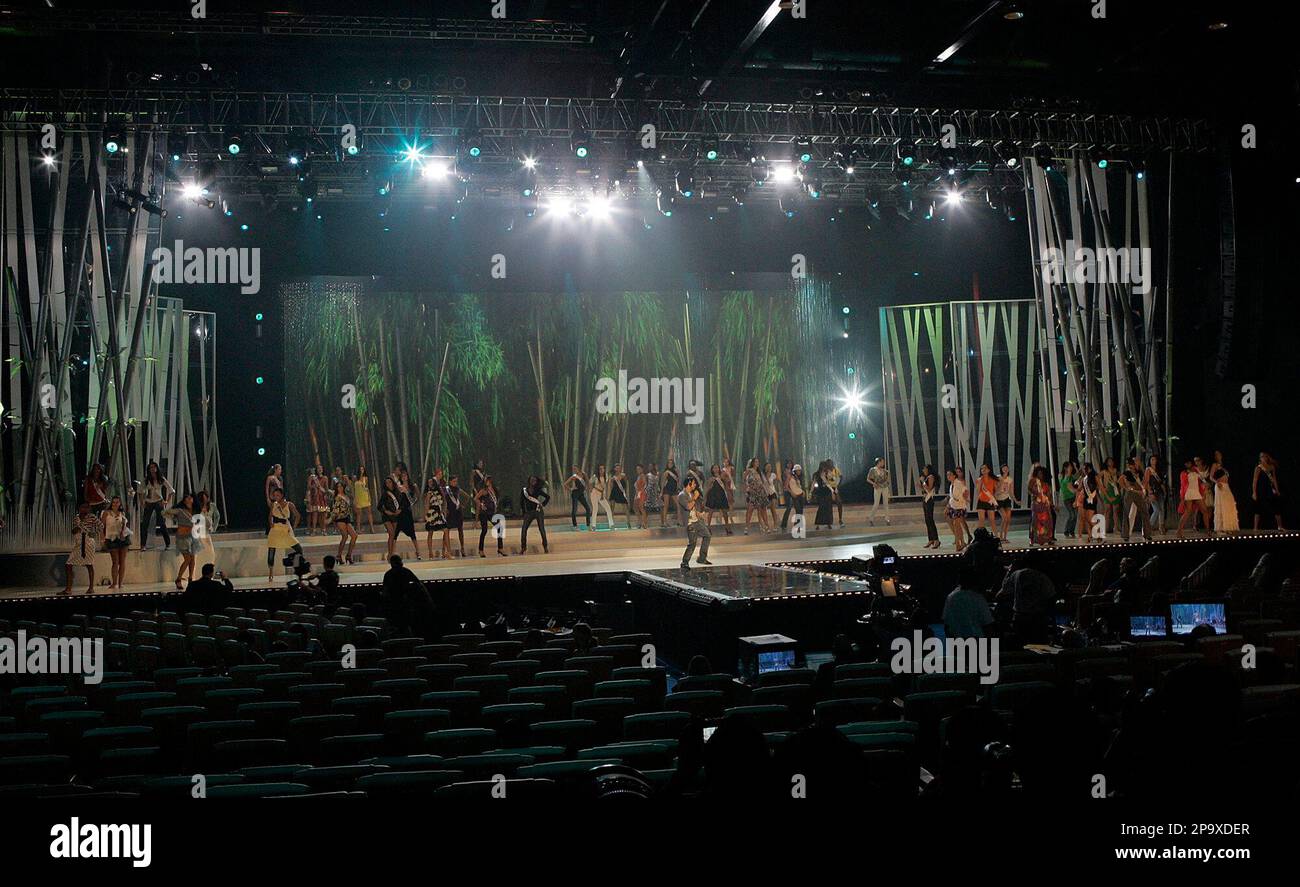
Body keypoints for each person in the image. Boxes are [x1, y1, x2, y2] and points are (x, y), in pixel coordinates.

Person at [999, 559, 1056, 644]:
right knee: (1039, 646)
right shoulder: (1042, 577)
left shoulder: (1017, 574)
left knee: (1020, 644)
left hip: (1020, 616)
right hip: (1037, 618)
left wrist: (1009, 572)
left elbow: (1004, 591)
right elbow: (1051, 598)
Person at [382, 555, 436, 637]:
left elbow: (385, 591)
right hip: (403, 602)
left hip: (397, 603)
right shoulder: (405, 571)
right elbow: (419, 583)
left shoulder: (389, 574)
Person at [943, 563, 996, 640]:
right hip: (976, 640)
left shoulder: (950, 597)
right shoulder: (977, 598)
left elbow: (946, 624)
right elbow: (987, 624)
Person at [63, 501, 103, 595]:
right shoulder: (76, 518)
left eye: (86, 507)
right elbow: (73, 531)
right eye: (83, 507)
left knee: (89, 564)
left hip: (88, 541)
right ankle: (68, 589)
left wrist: (94, 532)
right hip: (79, 541)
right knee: (68, 564)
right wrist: (76, 529)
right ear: (79, 508)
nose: (85, 509)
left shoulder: (92, 517)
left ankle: (91, 588)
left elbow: (101, 526)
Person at [265, 488, 304, 583]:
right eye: (274, 495)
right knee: (271, 551)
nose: (276, 497)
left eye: (277, 495)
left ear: (282, 495)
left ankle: (296, 568)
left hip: (285, 529)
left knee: (299, 549)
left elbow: (298, 516)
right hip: (275, 530)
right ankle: (270, 574)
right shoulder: (274, 505)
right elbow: (270, 516)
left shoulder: (289, 504)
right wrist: (271, 524)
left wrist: (293, 527)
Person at [164, 493, 198, 589]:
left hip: (192, 536)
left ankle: (191, 579)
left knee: (192, 559)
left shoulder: (194, 511)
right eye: (187, 497)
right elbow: (166, 512)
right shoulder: (180, 510)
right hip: (182, 537)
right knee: (187, 559)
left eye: (190, 497)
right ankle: (178, 579)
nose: (189, 499)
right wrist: (174, 518)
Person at [677, 476, 712, 570]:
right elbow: (688, 507)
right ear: (689, 484)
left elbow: (693, 508)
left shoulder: (691, 494)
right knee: (692, 543)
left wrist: (700, 514)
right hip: (690, 523)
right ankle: (684, 562)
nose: (695, 485)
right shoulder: (682, 495)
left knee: (707, 535)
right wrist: (695, 497)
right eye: (694, 483)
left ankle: (702, 558)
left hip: (697, 521)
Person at [381, 476, 420, 561]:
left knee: (412, 533)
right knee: (394, 534)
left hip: (407, 513)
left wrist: (410, 491)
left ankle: (418, 552)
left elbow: (413, 500)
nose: (404, 477)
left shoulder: (411, 487)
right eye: (402, 476)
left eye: (405, 475)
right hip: (398, 515)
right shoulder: (397, 489)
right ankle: (392, 554)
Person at [137, 460, 172, 551]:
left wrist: (166, 501)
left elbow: (171, 490)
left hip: (158, 502)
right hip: (149, 502)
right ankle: (143, 545)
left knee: (161, 523)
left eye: (154, 467)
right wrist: (142, 502)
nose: (152, 469)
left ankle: (168, 543)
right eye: (151, 468)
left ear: (157, 468)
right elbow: (140, 491)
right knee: (145, 524)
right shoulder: (146, 480)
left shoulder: (161, 479)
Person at [101, 495, 130, 589]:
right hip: (111, 538)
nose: (115, 504)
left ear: (120, 503)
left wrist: (123, 529)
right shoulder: (106, 513)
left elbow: (125, 526)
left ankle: (120, 583)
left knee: (122, 562)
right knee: (115, 561)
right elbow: (102, 526)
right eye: (113, 502)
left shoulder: (122, 513)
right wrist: (102, 538)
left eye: (117, 502)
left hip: (122, 538)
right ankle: (114, 583)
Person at [1252, 452, 1285, 531]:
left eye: (1265, 456)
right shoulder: (1258, 468)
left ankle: (1280, 526)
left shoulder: (1271, 467)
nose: (1264, 458)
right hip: (1261, 490)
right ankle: (1255, 528)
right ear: (1260, 458)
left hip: (1270, 490)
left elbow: (1274, 480)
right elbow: (1255, 481)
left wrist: (1277, 490)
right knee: (1258, 508)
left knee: (1276, 506)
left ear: (1267, 457)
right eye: (1262, 456)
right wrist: (1254, 492)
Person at [476, 476, 506, 557]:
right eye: (486, 480)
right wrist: (481, 504)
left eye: (489, 480)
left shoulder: (494, 490)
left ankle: (500, 548)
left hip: (491, 513)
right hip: (484, 513)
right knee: (484, 530)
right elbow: (476, 498)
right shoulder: (483, 491)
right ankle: (481, 550)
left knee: (499, 528)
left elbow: (496, 500)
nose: (487, 482)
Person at [330, 480, 358, 564]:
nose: (340, 488)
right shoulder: (337, 497)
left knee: (354, 536)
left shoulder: (346, 496)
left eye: (341, 486)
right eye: (338, 487)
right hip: (340, 518)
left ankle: (348, 555)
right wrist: (331, 519)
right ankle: (339, 555)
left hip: (347, 517)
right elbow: (335, 509)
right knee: (345, 536)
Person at [520, 475, 550, 553]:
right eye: (532, 480)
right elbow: (522, 503)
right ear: (529, 480)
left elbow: (547, 497)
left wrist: (543, 504)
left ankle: (545, 547)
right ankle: (523, 548)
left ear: (536, 482)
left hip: (538, 511)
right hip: (529, 513)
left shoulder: (538, 490)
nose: (533, 481)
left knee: (542, 529)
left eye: (535, 480)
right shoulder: (524, 491)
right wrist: (524, 513)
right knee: (524, 530)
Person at [1119, 470, 1152, 542]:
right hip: (1130, 493)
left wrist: (1146, 492)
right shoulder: (1127, 471)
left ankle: (1147, 534)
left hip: (1139, 493)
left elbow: (1144, 482)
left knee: (1145, 512)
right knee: (1126, 512)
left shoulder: (1140, 471)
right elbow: (1120, 480)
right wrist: (1126, 488)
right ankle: (1125, 535)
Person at [423, 476, 449, 560]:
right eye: (429, 482)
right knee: (430, 532)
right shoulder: (428, 493)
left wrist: (444, 510)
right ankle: (430, 552)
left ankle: (447, 551)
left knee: (446, 530)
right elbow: (427, 505)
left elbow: (444, 501)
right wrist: (425, 515)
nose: (430, 484)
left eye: (431, 482)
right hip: (432, 513)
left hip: (439, 512)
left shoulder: (440, 490)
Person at [704, 463, 734, 534]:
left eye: (717, 468)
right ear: (712, 470)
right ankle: (708, 527)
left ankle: (727, 527)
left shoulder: (722, 477)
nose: (716, 469)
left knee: (725, 512)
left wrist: (729, 495)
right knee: (710, 512)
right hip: (712, 495)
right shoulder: (710, 478)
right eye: (714, 468)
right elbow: (708, 488)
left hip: (721, 495)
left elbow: (727, 486)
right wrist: (705, 497)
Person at [742, 457, 769, 535]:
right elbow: (744, 480)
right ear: (753, 463)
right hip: (753, 492)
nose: (757, 463)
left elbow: (762, 482)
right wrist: (746, 489)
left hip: (761, 491)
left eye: (758, 461)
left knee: (763, 509)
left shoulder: (759, 471)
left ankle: (766, 526)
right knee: (750, 509)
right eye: (756, 462)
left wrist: (765, 491)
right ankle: (746, 527)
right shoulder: (749, 471)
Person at [1029, 466, 1054, 545]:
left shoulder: (1046, 484)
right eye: (1039, 473)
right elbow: (1031, 490)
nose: (1041, 475)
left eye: (1042, 473)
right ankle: (1032, 540)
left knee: (1047, 522)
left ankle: (1047, 539)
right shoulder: (1033, 481)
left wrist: (1050, 502)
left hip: (1045, 506)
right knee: (1035, 522)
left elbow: (1049, 495)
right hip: (1036, 506)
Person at [946, 468, 970, 551]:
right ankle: (961, 542)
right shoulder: (951, 485)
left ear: (954, 475)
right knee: (957, 526)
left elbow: (966, 491)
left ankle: (959, 544)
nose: (948, 476)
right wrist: (948, 506)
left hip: (959, 507)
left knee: (957, 525)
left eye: (950, 474)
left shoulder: (958, 483)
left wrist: (966, 499)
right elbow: (951, 497)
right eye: (947, 475)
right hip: (953, 507)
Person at [919, 464, 940, 548]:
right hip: (925, 500)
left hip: (929, 500)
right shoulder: (927, 477)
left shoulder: (931, 477)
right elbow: (924, 489)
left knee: (930, 520)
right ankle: (930, 539)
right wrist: (921, 485)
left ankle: (936, 540)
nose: (923, 470)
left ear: (928, 469)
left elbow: (929, 489)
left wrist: (923, 482)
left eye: (924, 468)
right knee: (927, 520)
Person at [866, 457, 891, 526]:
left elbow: (887, 481)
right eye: (882, 462)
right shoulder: (873, 470)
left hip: (885, 487)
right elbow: (868, 479)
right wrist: (873, 483)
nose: (883, 463)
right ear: (878, 462)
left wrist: (889, 492)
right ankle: (871, 518)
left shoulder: (885, 471)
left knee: (886, 504)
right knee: (876, 504)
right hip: (877, 488)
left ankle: (887, 519)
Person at [1213, 468, 1239, 533]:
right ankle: (1223, 527)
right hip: (1220, 485)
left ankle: (1229, 527)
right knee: (1223, 507)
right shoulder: (1215, 465)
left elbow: (1227, 475)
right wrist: (1217, 482)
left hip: (1226, 486)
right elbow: (1211, 477)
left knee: (1229, 506)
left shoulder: (1223, 469)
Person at [565, 465, 592, 530]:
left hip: (581, 494)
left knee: (588, 509)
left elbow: (588, 482)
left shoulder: (583, 474)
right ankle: (575, 526)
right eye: (573, 469)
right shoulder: (574, 477)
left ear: (578, 469)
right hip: (575, 494)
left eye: (575, 468)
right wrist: (571, 489)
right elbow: (565, 484)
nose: (574, 470)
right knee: (574, 510)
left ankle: (588, 525)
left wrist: (588, 489)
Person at [589, 465, 614, 531]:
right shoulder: (595, 476)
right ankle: (593, 526)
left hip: (601, 494)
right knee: (595, 509)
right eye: (600, 469)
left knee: (608, 508)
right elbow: (590, 483)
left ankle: (611, 525)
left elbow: (605, 486)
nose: (601, 470)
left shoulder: (606, 476)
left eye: (602, 468)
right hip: (594, 492)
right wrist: (591, 490)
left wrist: (604, 494)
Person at [975, 464, 998, 534]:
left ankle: (996, 537)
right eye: (982, 469)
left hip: (990, 501)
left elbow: (996, 491)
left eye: (985, 468)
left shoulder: (993, 480)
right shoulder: (979, 480)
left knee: (992, 520)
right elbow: (978, 491)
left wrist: (994, 500)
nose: (983, 470)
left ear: (989, 470)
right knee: (981, 520)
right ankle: (979, 537)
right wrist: (980, 483)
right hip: (981, 501)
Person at [782, 464, 806, 531]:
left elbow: (799, 486)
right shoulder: (790, 476)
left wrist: (803, 491)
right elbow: (786, 486)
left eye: (800, 470)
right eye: (797, 470)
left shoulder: (797, 478)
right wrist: (791, 492)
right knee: (798, 509)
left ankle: (798, 525)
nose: (799, 472)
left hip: (800, 494)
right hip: (794, 494)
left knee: (801, 510)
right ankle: (795, 525)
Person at [812, 460, 835, 530]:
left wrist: (833, 490)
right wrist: (811, 492)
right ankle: (818, 524)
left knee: (829, 508)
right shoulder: (816, 474)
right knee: (821, 508)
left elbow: (832, 480)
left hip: (827, 492)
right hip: (821, 492)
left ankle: (829, 523)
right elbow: (813, 483)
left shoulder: (827, 473)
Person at [995, 464, 1016, 542]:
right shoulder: (998, 477)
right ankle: (1000, 536)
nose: (1005, 469)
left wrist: (1016, 500)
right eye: (1003, 468)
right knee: (1004, 517)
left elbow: (1011, 492)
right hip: (999, 500)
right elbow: (995, 488)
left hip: (1007, 499)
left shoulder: (1010, 479)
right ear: (1001, 469)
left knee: (1008, 519)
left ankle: (1005, 537)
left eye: (1006, 468)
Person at [353, 466, 374, 535]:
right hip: (358, 496)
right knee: (359, 514)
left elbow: (367, 488)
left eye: (362, 469)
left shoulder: (365, 478)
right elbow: (354, 489)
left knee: (369, 512)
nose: (361, 470)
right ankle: (358, 528)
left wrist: (369, 496)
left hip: (365, 495)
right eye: (360, 469)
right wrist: (354, 498)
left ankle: (372, 527)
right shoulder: (355, 478)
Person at [609, 463, 631, 529]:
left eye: (619, 468)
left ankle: (628, 523)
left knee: (626, 508)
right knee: (612, 508)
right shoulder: (613, 477)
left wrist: (627, 494)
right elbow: (611, 486)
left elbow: (626, 484)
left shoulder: (623, 475)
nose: (618, 469)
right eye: (617, 468)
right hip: (614, 492)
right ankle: (611, 523)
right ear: (615, 469)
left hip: (621, 492)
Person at [661, 458, 681, 527]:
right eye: (669, 463)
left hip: (674, 490)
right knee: (666, 505)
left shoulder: (676, 471)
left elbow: (678, 480)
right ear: (667, 464)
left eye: (671, 463)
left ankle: (678, 521)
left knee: (678, 505)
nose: (670, 464)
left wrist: (678, 488)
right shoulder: (666, 472)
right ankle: (664, 522)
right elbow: (663, 482)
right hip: (667, 489)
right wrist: (661, 492)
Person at [825, 459, 844, 528]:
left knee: (839, 503)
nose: (831, 465)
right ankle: (829, 522)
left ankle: (840, 519)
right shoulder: (825, 471)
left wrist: (837, 486)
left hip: (835, 488)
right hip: (828, 489)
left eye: (831, 463)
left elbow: (841, 477)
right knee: (828, 505)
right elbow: (825, 481)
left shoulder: (836, 469)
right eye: (829, 464)